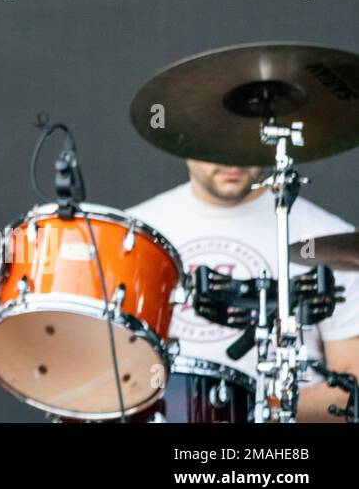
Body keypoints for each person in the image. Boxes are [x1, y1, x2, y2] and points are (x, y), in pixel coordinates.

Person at [128, 159, 359, 421]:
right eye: (217, 139)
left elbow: (352, 384)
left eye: (242, 135)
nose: (230, 158)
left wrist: (253, 412)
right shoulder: (133, 235)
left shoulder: (329, 239)